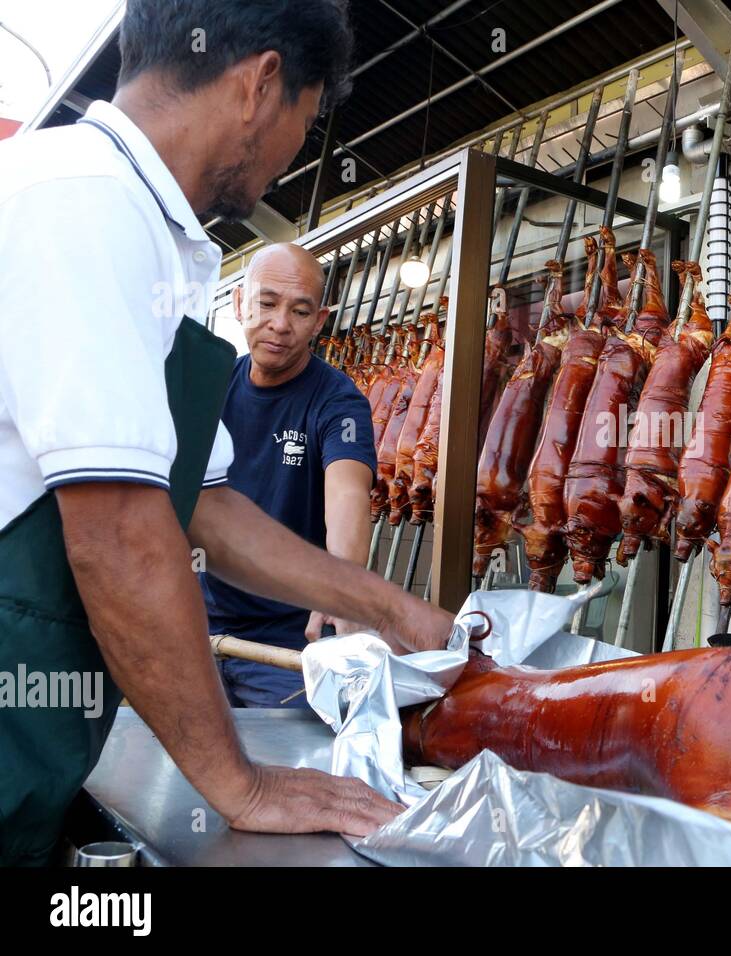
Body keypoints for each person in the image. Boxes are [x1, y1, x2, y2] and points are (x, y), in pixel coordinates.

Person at [0, 0, 454, 865]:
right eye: (307, 123)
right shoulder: (82, 207)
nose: (292, 159)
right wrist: (239, 784)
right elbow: (122, 537)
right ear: (261, 84)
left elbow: (205, 509)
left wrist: (395, 609)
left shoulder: (149, 239)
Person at [203, 243, 376, 707]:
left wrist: (343, 584)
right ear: (240, 303)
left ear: (319, 322)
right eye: (266, 303)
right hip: (197, 625)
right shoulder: (209, 386)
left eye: (300, 311)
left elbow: (348, 494)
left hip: (288, 638)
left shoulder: (338, 402)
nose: (280, 324)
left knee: (288, 761)